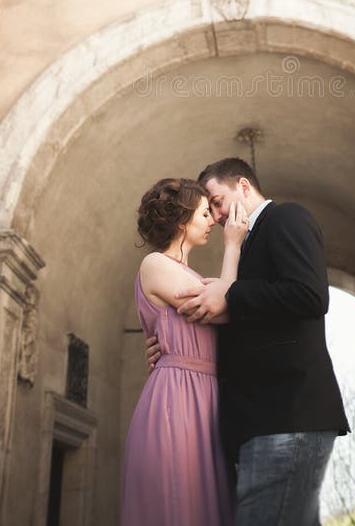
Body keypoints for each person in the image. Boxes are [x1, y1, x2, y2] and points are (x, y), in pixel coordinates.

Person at [147, 158, 350, 526]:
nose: (217, 215)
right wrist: (171, 340)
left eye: (218, 202)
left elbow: (310, 295)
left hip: (288, 415)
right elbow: (236, 315)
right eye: (209, 210)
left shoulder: (286, 218)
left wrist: (233, 294)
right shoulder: (242, 244)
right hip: (263, 422)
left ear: (243, 186)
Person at [122, 176, 248, 526]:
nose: (212, 220)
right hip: (176, 401)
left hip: (205, 398)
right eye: (204, 213)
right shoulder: (156, 265)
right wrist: (233, 245)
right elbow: (222, 307)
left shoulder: (187, 273)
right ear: (181, 221)